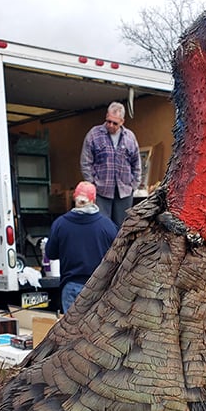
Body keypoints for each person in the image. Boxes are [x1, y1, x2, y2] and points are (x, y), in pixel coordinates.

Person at [44, 181, 117, 313]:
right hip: (99, 288)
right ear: (94, 200)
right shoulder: (107, 226)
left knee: (71, 332)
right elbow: (119, 256)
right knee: (95, 331)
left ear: (74, 198)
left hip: (70, 287)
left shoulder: (60, 224)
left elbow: (51, 253)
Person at [80, 102, 142, 227]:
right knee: (102, 226)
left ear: (122, 121)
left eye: (115, 123)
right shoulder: (94, 134)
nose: (110, 125)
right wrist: (92, 184)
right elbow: (86, 161)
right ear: (106, 116)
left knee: (122, 228)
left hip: (124, 191)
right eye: (108, 121)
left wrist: (134, 185)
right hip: (101, 191)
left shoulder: (130, 137)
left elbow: (137, 163)